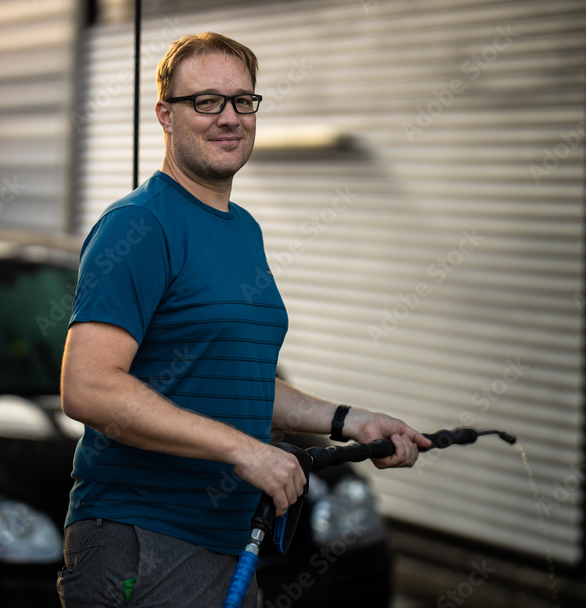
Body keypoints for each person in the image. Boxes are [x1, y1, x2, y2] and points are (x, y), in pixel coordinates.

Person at [58, 31, 430, 607]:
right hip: (144, 542)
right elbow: (88, 387)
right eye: (205, 101)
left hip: (229, 545)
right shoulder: (138, 227)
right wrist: (245, 450)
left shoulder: (242, 229)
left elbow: (238, 379)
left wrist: (348, 419)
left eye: (242, 100)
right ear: (165, 115)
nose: (228, 117)